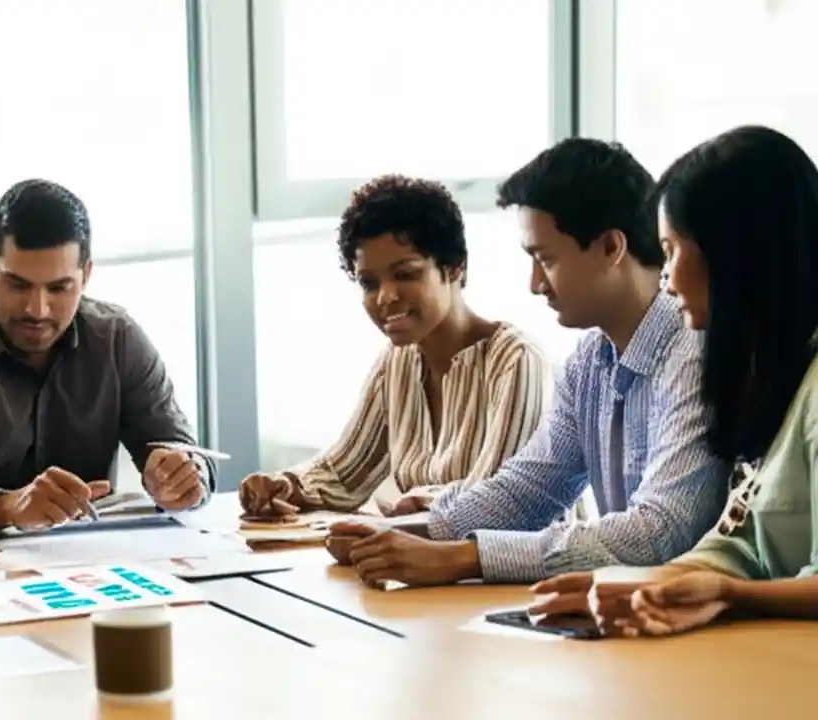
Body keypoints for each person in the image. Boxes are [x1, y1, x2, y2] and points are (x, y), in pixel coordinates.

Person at [328, 138, 727, 587]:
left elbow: (659, 532)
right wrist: (395, 535)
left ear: (612, 247)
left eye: (546, 259)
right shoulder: (590, 362)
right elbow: (528, 490)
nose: (536, 284)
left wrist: (464, 558)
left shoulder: (692, 350)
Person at [536, 126, 818, 636]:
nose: (664, 278)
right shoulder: (776, 372)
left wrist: (728, 593)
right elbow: (742, 542)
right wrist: (645, 583)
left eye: (670, 251)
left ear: (730, 255)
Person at [0, 179, 212, 535]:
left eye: (58, 288)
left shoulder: (118, 341)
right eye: (17, 284)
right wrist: (8, 506)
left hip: (93, 565)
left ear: (85, 276)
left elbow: (185, 453)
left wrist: (183, 479)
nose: (36, 309)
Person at [239, 175, 551, 517]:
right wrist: (286, 485)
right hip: (426, 564)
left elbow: (496, 503)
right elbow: (342, 476)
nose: (385, 297)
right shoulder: (398, 362)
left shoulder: (515, 361)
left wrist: (413, 509)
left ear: (454, 268)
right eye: (369, 283)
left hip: (515, 569)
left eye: (405, 274)